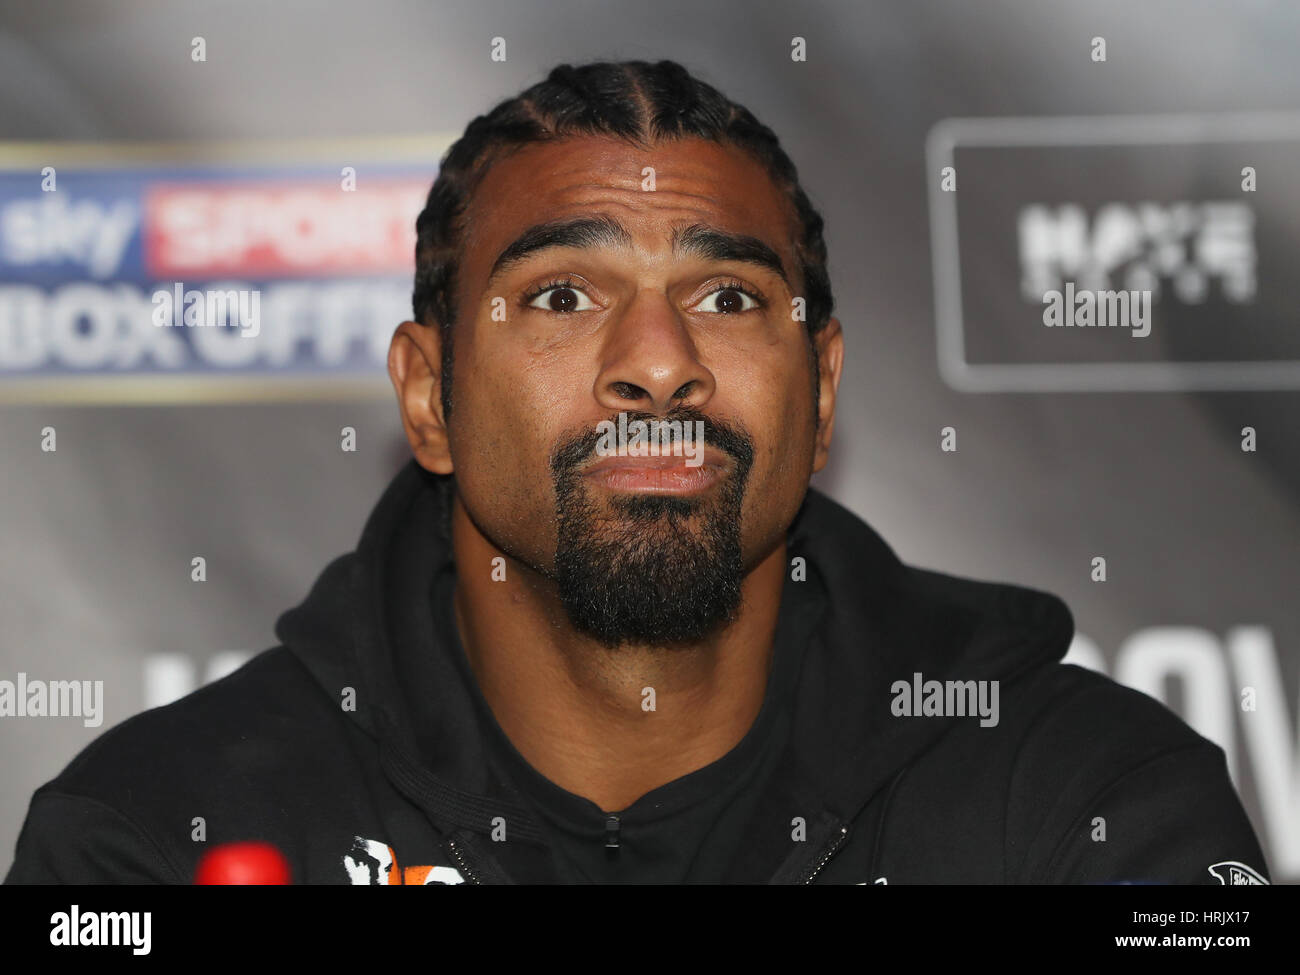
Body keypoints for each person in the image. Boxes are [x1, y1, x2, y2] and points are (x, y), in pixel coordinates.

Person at [5, 59, 1269, 884]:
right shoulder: (158, 841)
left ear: (821, 390)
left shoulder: (1082, 807)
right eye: (561, 293)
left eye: (725, 294)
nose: (657, 366)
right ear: (427, 396)